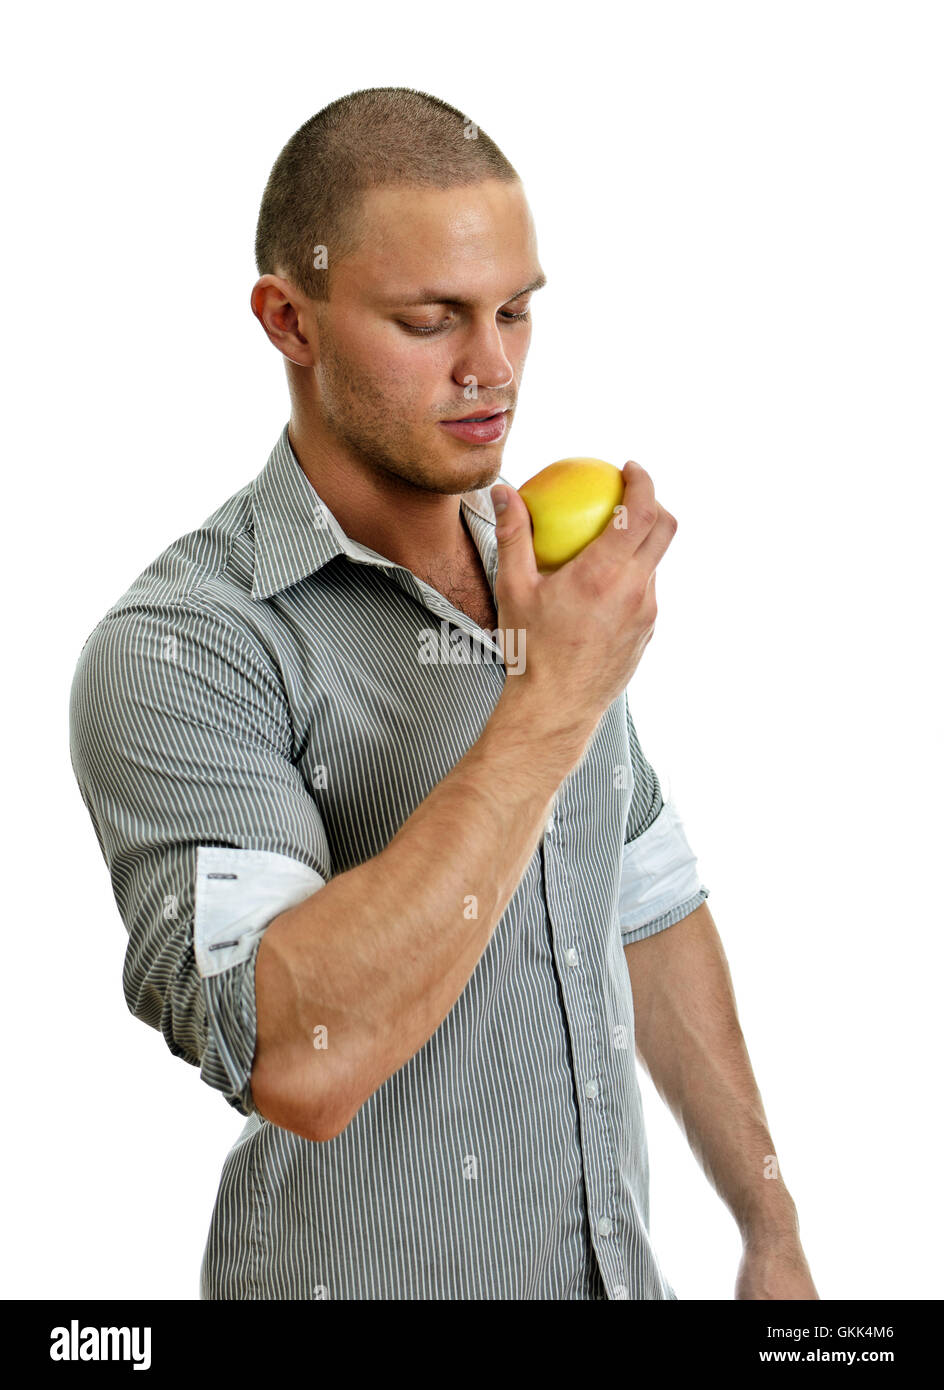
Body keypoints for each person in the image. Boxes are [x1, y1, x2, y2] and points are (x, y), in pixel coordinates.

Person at [69, 86, 817, 1301]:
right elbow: (294, 1063)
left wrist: (768, 1228)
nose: (493, 370)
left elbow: (644, 903)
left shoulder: (542, 579)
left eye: (516, 311)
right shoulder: (187, 647)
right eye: (430, 320)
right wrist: (548, 705)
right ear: (288, 320)